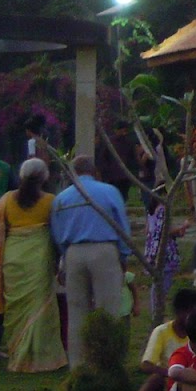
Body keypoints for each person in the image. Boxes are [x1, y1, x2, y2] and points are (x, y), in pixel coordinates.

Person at [50, 156, 133, 369]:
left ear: (72, 174)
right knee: (108, 309)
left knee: (77, 311)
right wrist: (123, 256)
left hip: (73, 253)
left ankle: (78, 367)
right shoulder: (109, 191)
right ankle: (109, 364)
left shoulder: (61, 198)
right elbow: (122, 226)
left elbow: (57, 233)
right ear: (94, 171)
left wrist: (64, 260)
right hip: (104, 250)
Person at [0, 158, 64, 372]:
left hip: (12, 256)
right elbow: (58, 233)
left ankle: (18, 354)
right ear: (45, 177)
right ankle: (41, 358)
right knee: (40, 307)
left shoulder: (7, 199)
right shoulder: (51, 200)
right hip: (39, 257)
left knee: (16, 309)